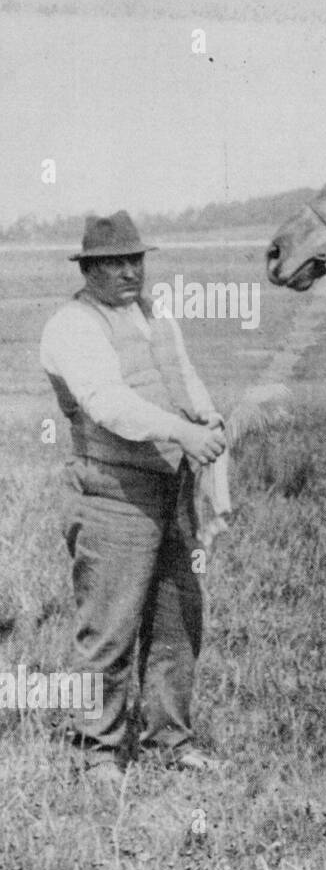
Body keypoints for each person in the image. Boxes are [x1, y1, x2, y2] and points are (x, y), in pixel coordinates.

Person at [40, 210, 229, 785]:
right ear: (89, 269)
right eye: (114, 263)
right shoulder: (72, 326)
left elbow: (183, 377)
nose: (128, 272)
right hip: (111, 495)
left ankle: (171, 740)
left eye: (135, 260)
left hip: (170, 493)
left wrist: (205, 413)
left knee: (177, 624)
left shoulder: (156, 315)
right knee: (110, 627)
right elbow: (108, 403)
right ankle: (96, 752)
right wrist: (184, 433)